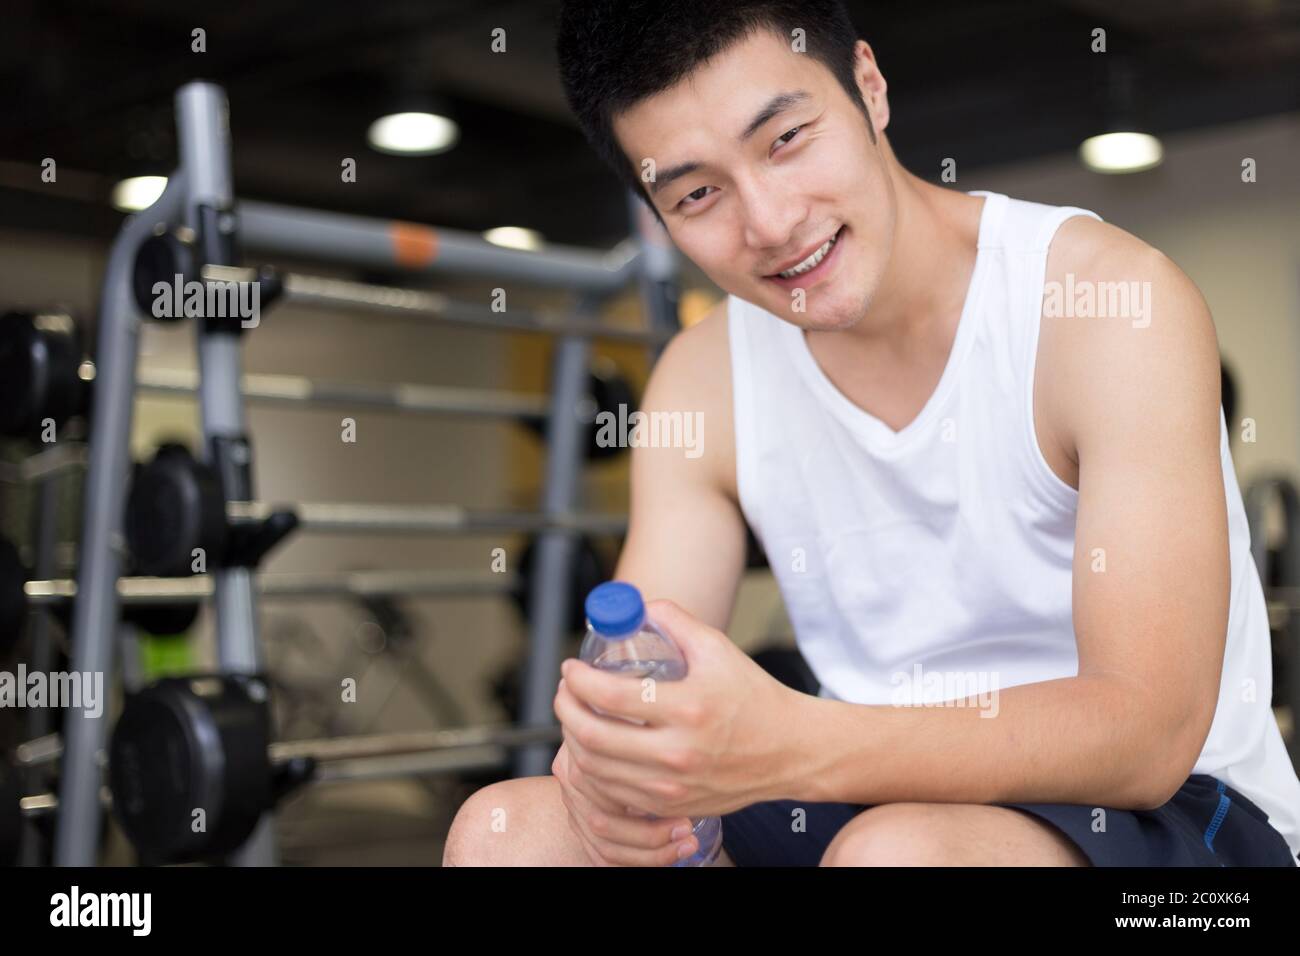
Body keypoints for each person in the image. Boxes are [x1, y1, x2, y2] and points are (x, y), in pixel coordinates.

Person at [443, 0, 1300, 866]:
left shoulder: (1108, 305)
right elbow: (643, 667)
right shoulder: (702, 380)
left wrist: (795, 742)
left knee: (898, 856)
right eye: (699, 193)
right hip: (861, 788)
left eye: (786, 140)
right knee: (508, 834)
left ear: (867, 85)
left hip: (1186, 820)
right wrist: (617, 769)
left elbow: (1146, 737)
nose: (771, 223)